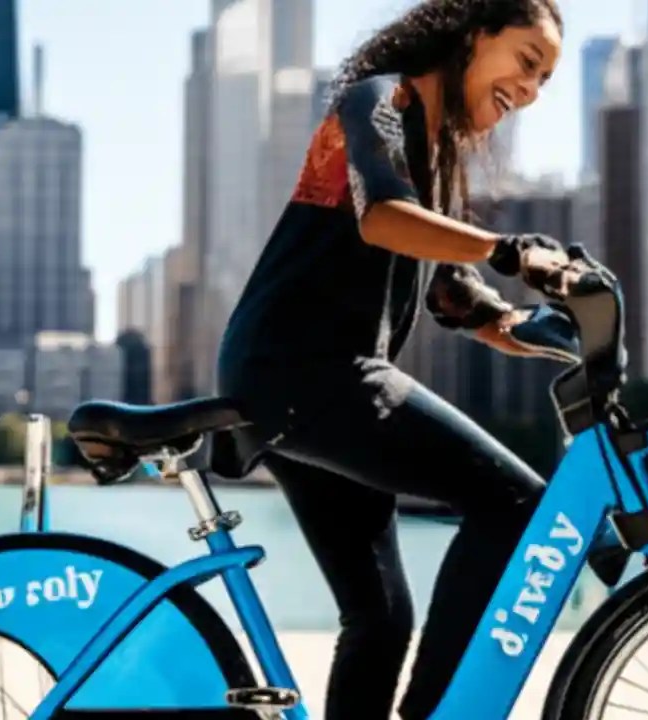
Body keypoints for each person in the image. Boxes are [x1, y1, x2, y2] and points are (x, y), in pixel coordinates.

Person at [216, 1, 587, 717]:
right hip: (312, 371)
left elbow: (431, 272)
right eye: (527, 61)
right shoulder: (382, 99)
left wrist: (498, 319)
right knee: (514, 505)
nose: (532, 90)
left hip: (291, 376)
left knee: (382, 619)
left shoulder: (432, 142)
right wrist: (508, 252)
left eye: (545, 81)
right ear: (474, 37)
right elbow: (382, 216)